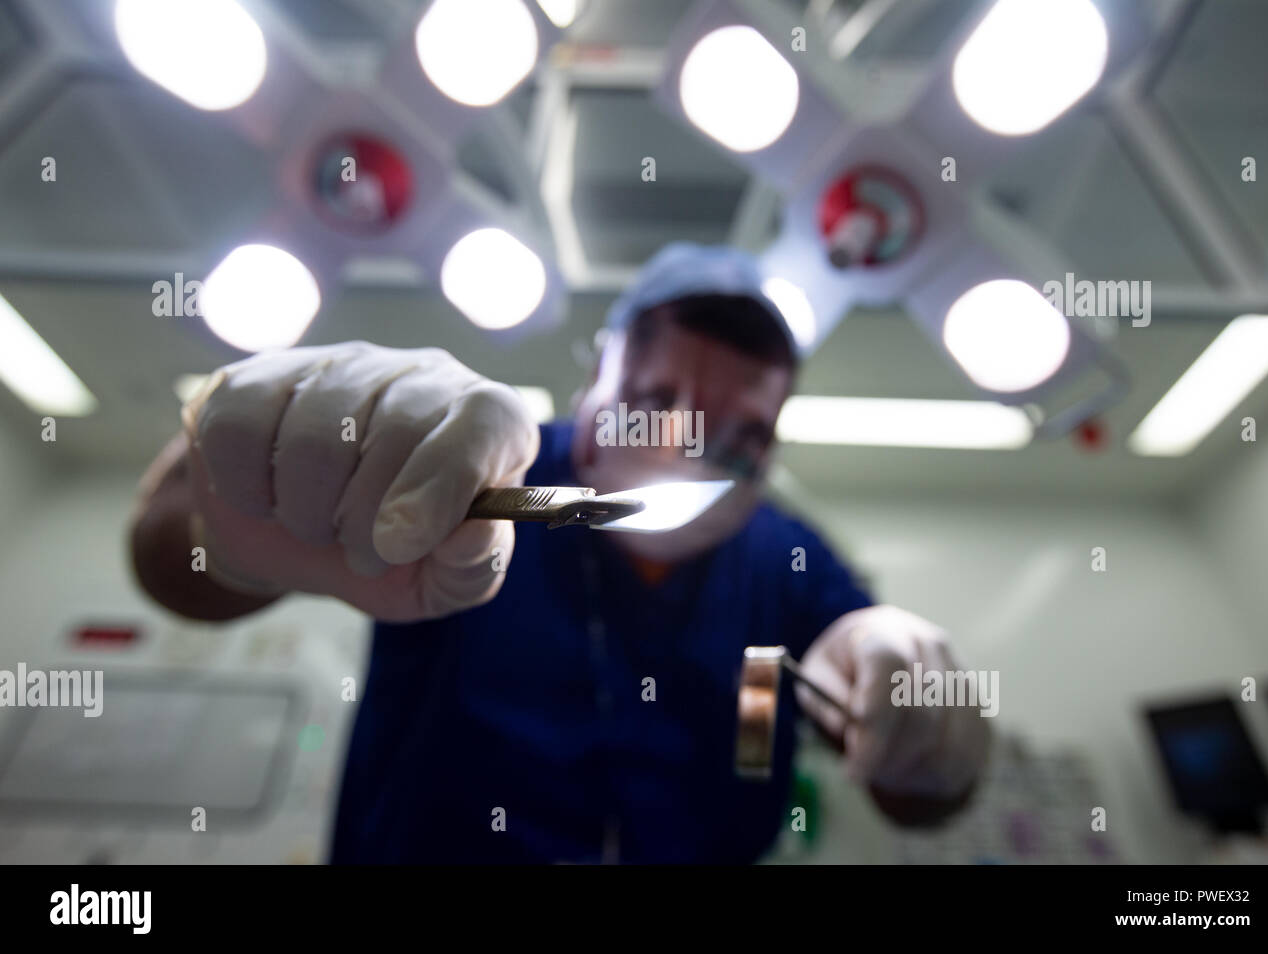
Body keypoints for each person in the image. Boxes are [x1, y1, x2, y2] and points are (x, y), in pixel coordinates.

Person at [130, 243, 990, 863]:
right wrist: (244, 527)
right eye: (655, 403)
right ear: (593, 384)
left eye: (743, 438)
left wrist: (916, 708)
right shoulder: (471, 468)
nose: (692, 453)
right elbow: (170, 549)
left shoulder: (782, 559)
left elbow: (919, 796)